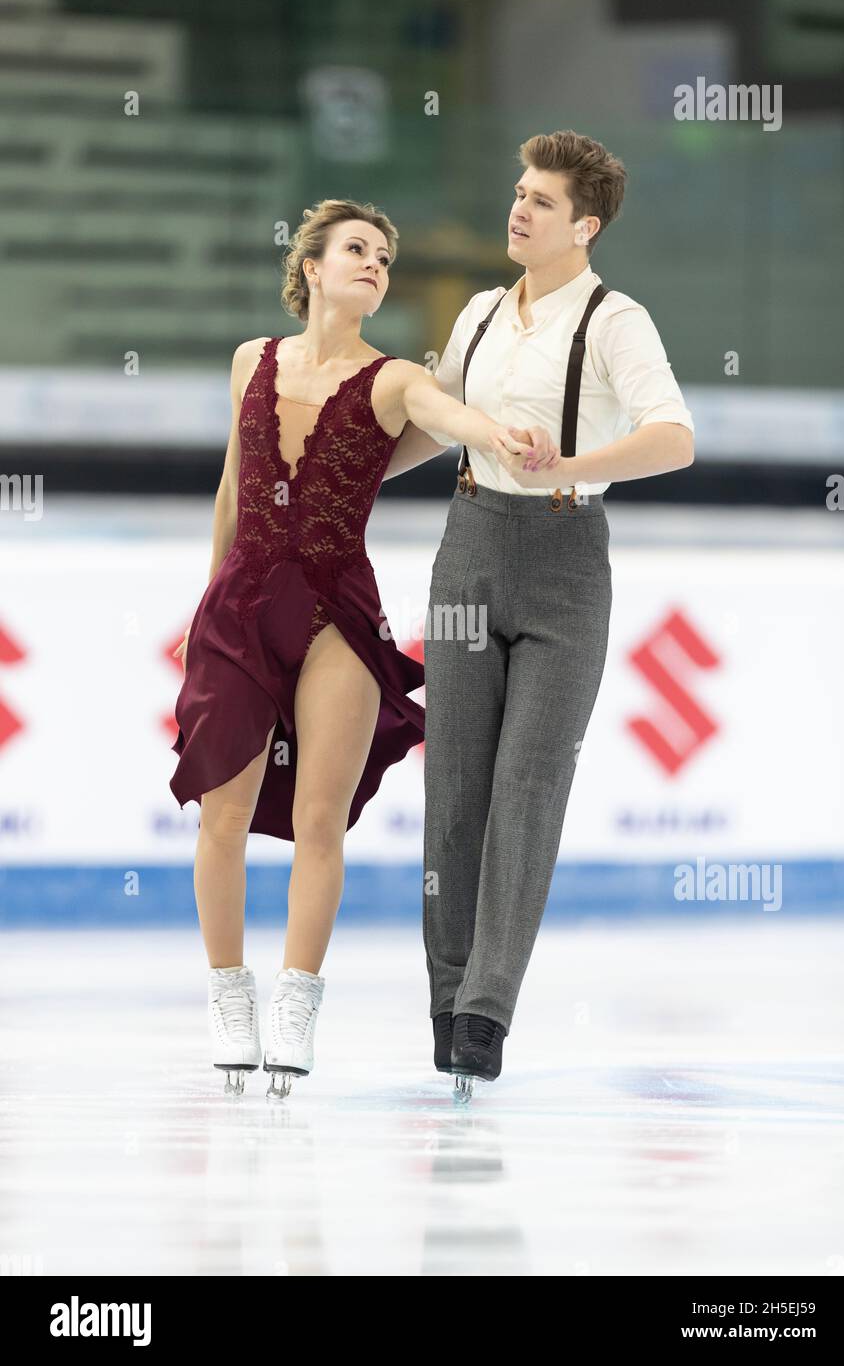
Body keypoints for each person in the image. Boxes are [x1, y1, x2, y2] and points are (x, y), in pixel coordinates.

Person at [168, 198, 554, 1097]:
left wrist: (497, 434)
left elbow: (447, 414)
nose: (375, 264)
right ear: (310, 268)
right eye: (357, 249)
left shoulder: (393, 379)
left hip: (337, 611)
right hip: (240, 601)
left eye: (384, 255)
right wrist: (208, 596)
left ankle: (298, 999)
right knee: (221, 815)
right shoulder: (250, 361)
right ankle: (230, 992)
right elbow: (233, 483)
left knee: (318, 820)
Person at [383, 130, 695, 1097]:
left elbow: (674, 439)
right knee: (458, 790)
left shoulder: (616, 319)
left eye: (542, 202)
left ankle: (486, 1010)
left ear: (585, 225)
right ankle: (447, 999)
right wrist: (341, 488)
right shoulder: (479, 311)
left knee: (529, 789)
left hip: (564, 563)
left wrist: (576, 465)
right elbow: (442, 427)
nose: (519, 210)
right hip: (469, 553)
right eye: (519, 192)